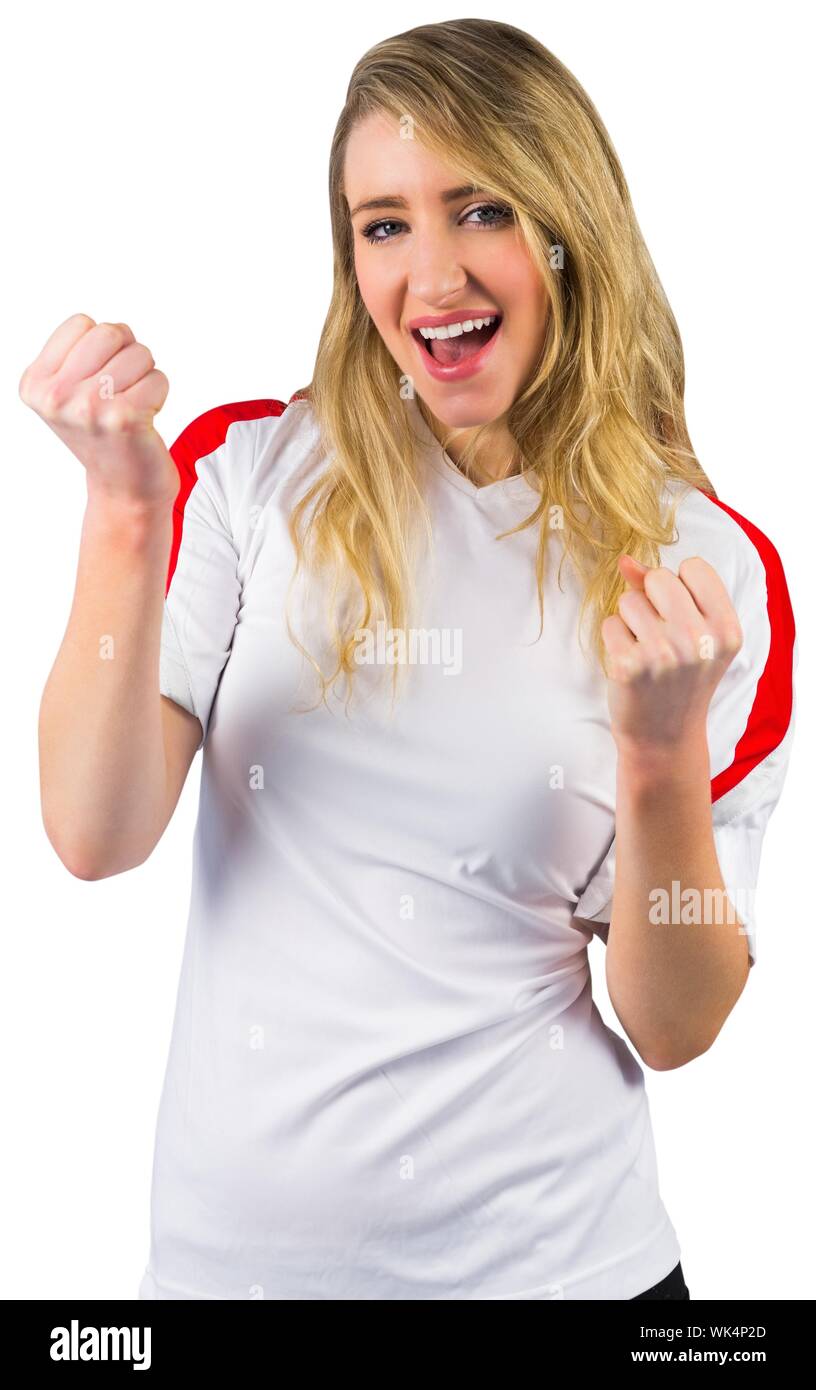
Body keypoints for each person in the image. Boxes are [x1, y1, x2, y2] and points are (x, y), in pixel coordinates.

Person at [25, 19, 796, 1301]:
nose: (429, 275)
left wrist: (660, 754)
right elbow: (95, 832)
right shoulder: (247, 471)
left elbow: (676, 1025)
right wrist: (119, 509)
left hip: (562, 1278)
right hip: (230, 1284)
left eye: (479, 208)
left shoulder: (709, 566)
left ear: (569, 229)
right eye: (383, 224)